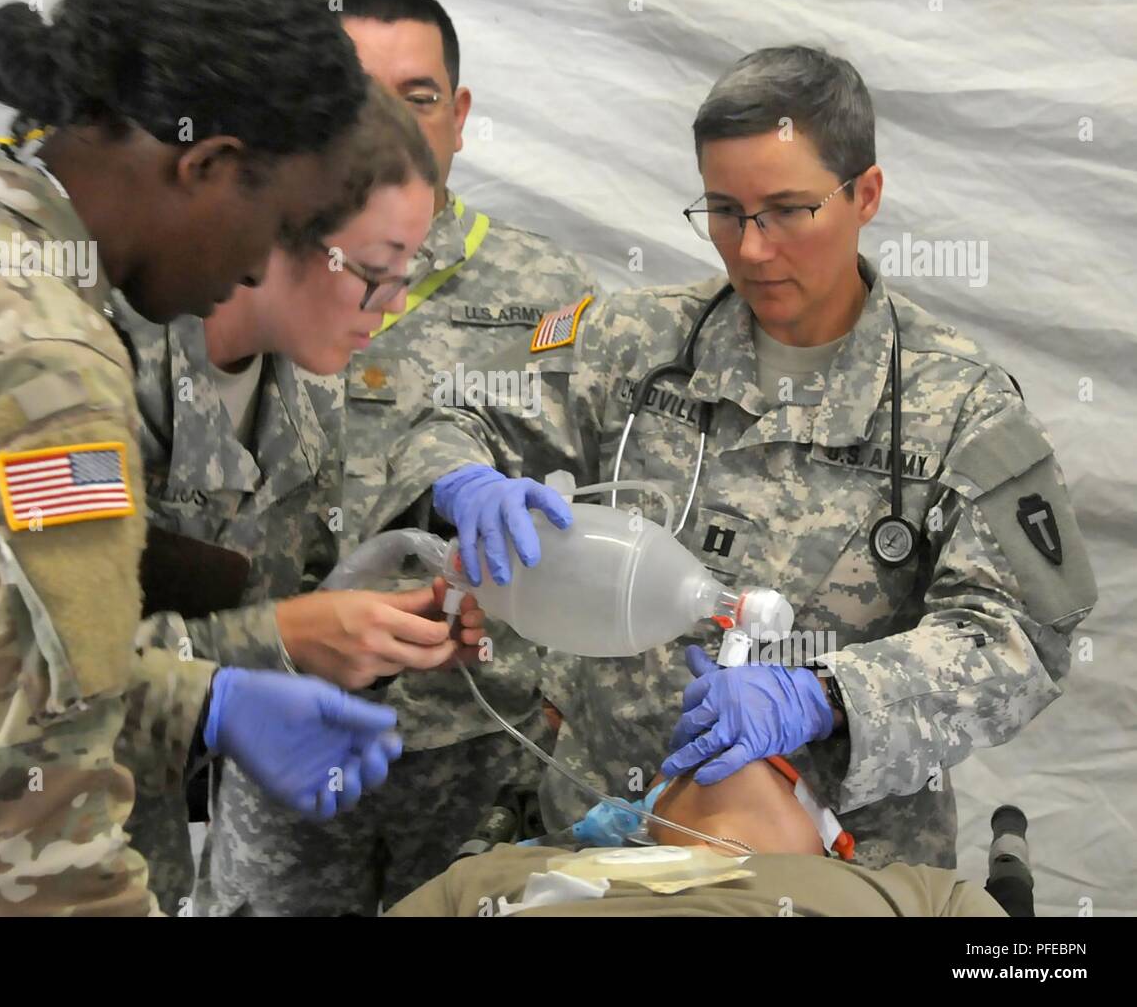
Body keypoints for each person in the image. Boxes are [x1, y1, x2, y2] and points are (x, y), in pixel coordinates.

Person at [369, 45, 1097, 870]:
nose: (751, 250)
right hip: (601, 838)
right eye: (725, 211)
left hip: (840, 869)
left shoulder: (962, 406)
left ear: (866, 195)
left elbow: (1017, 640)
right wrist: (463, 481)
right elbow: (453, 418)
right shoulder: (630, 343)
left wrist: (823, 695)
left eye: (788, 210)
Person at [0, 0, 405, 916]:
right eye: (278, 225)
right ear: (210, 164)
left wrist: (198, 698)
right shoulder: (49, 371)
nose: (260, 265)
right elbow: (17, 853)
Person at [198, 0, 604, 916]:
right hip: (286, 713)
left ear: (458, 115)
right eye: (354, 88)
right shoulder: (245, 267)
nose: (384, 116)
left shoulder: (550, 286)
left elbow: (596, 491)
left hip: (479, 737)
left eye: (416, 95)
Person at [117, 82, 485, 912]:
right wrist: (278, 643)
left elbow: (282, 597)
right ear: (271, 227)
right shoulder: (94, 371)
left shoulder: (310, 386)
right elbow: (6, 663)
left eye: (407, 274)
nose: (391, 306)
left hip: (132, 859)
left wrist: (374, 635)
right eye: (374, 272)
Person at [387, 751, 1006, 916]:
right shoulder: (489, 878)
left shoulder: (924, 894)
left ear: (829, 840)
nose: (733, 754)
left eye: (778, 761)